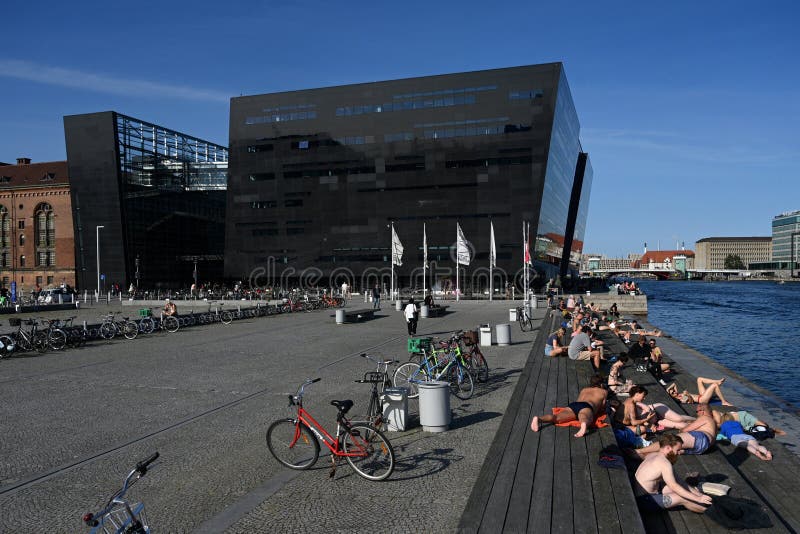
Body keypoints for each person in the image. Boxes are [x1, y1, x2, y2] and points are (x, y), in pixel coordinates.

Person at [634, 434, 713, 513]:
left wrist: (700, 495)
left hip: (642, 493)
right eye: (677, 450)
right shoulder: (664, 464)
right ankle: (709, 511)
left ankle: (706, 502)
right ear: (668, 448)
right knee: (681, 497)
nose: (679, 453)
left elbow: (680, 482)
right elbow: (674, 486)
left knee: (679, 489)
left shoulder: (652, 455)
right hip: (643, 501)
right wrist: (698, 499)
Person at [530, 374, 608, 438]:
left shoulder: (584, 389)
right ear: (601, 384)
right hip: (587, 406)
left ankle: (539, 419)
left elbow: (579, 400)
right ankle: (584, 424)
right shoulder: (603, 392)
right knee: (584, 416)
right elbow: (602, 407)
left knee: (556, 417)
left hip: (574, 405)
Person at [635, 403, 717, 458]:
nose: (696, 413)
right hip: (703, 448)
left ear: (702, 411)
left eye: (697, 412)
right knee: (670, 450)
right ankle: (644, 455)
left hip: (700, 438)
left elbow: (686, 429)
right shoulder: (713, 423)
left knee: (669, 441)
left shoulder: (704, 418)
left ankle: (638, 451)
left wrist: (681, 431)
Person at [711, 409, 786, 437]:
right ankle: (771, 429)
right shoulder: (714, 421)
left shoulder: (714, 413)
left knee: (762, 426)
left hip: (742, 417)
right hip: (741, 423)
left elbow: (719, 421)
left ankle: (773, 430)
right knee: (758, 429)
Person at [666, 377, 732, 406]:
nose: (674, 392)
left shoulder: (678, 394)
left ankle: (717, 381)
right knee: (714, 385)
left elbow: (674, 384)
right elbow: (691, 402)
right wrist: (688, 394)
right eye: (673, 393)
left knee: (699, 379)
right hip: (701, 400)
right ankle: (723, 402)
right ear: (672, 396)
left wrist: (668, 389)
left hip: (701, 396)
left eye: (674, 391)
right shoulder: (680, 399)